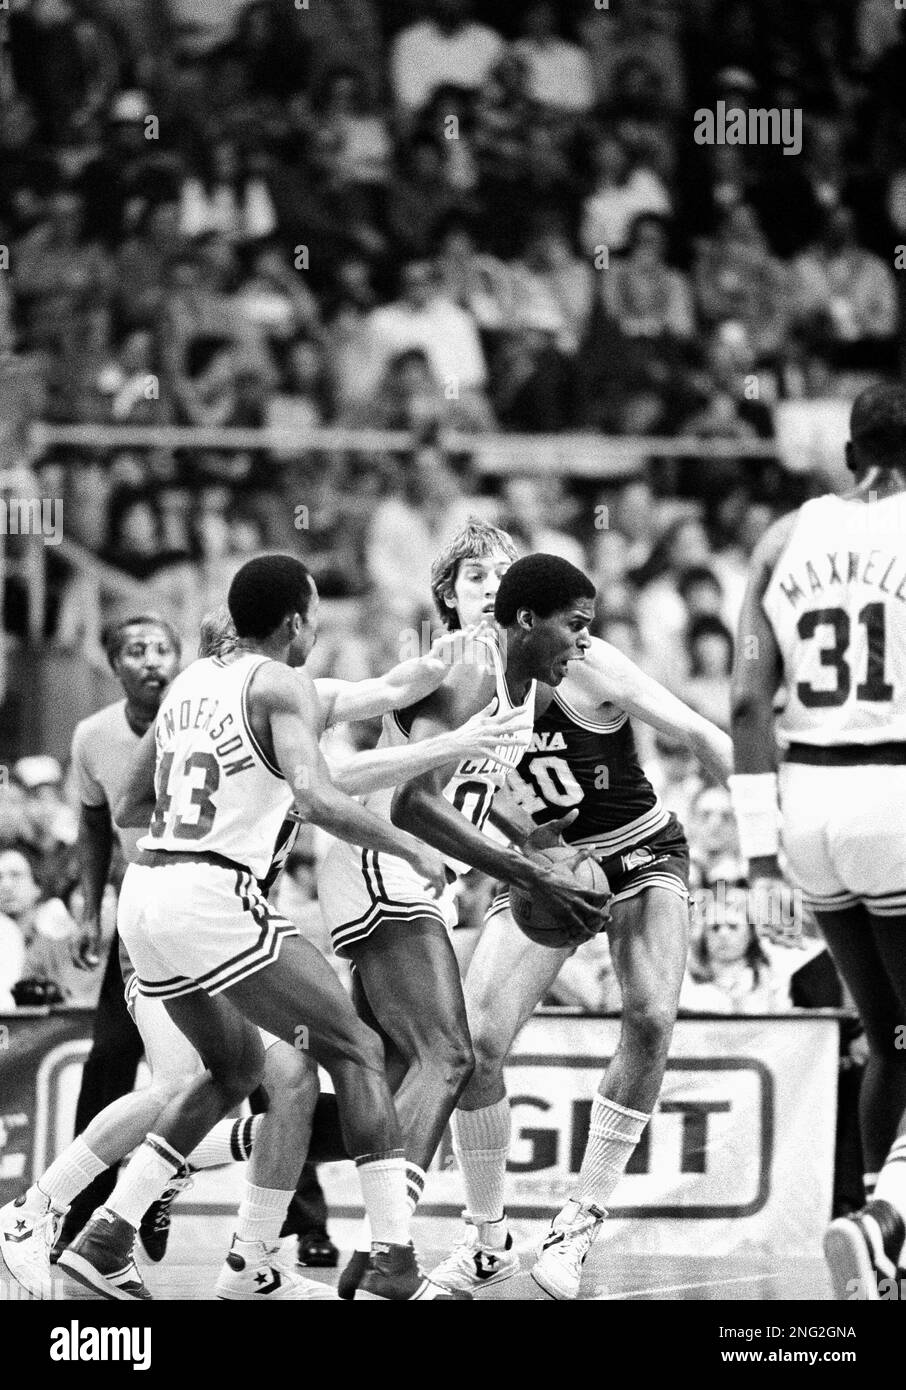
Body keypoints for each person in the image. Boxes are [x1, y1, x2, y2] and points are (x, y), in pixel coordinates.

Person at [0, 592, 524, 1301]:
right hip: (207, 901)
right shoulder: (279, 688)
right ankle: (38, 1213)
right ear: (290, 626)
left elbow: (129, 805)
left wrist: (450, 649)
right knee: (324, 1058)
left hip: (153, 901)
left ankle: (145, 1243)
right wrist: (406, 831)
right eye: (310, 619)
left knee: (251, 1074)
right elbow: (321, 794)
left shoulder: (194, 689)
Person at [320, 530, 612, 1297]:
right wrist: (524, 873)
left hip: (418, 876)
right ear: (449, 593)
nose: (491, 584)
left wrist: (536, 839)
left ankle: (148, 1178)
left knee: (372, 1085)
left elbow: (478, 786)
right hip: (383, 859)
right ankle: (389, 1257)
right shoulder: (462, 666)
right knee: (451, 1056)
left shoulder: (529, 680)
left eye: (504, 573)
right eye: (474, 574)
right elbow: (417, 803)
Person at [429, 590, 731, 1299]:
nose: (580, 635)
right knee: (476, 1043)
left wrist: (767, 831)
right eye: (471, 576)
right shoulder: (459, 686)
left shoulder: (589, 663)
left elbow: (700, 733)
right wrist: (524, 847)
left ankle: (579, 1221)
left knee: (653, 1017)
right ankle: (484, 1242)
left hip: (640, 851)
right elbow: (447, 793)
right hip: (549, 869)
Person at [730, 382, 906, 1300]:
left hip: (807, 802)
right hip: (898, 789)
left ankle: (886, 1253)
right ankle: (885, 1221)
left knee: (888, 1033)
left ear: (849, 453)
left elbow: (747, 700)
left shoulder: (781, 539)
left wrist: (761, 856)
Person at [57, 616, 181, 1254]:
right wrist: (88, 912)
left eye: (163, 650)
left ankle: (303, 1220)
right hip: (139, 914)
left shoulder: (198, 715)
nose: (152, 661)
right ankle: (75, 1212)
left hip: (209, 908)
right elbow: (97, 829)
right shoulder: (92, 736)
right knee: (109, 1060)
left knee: (270, 1074)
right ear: (113, 665)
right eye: (137, 651)